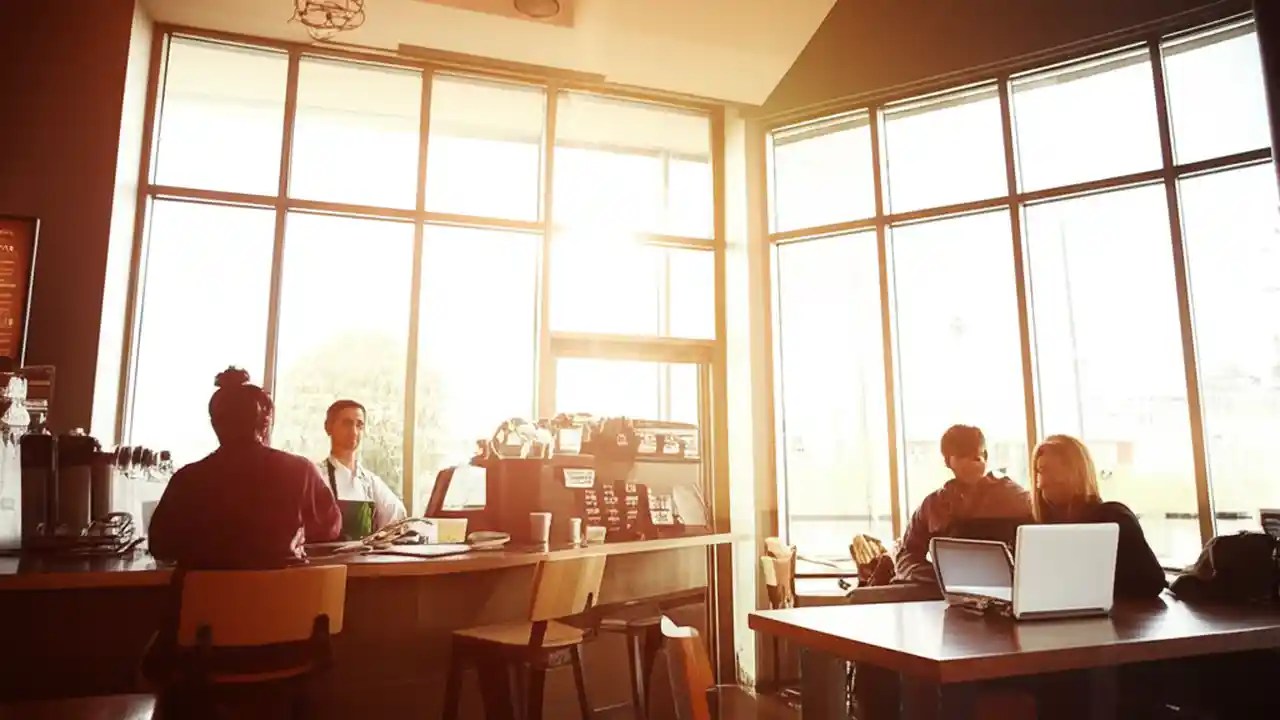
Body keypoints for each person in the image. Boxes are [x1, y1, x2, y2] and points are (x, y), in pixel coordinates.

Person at [148, 368, 342, 568]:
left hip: (208, 598)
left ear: (215, 424)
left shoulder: (187, 479)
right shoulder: (300, 471)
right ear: (265, 423)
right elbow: (330, 529)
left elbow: (160, 546)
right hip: (284, 596)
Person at [893, 424, 1033, 584]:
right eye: (962, 456)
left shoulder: (1015, 497)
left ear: (985, 456)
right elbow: (907, 557)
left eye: (975, 456)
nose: (970, 463)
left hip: (1007, 591)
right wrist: (938, 578)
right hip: (949, 594)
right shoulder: (932, 506)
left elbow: (1038, 548)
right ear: (947, 461)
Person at [1031, 434, 1165, 599]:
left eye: (1049, 471)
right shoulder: (1038, 529)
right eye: (1040, 471)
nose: (1041, 481)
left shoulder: (1115, 518)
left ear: (1076, 472)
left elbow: (1152, 582)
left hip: (1118, 619)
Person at [317, 399, 406, 538]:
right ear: (328, 427)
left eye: (359, 425)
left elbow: (397, 517)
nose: (354, 431)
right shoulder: (316, 476)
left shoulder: (370, 482)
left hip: (364, 558)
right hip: (325, 558)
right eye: (347, 423)